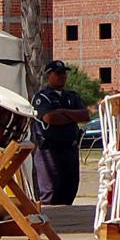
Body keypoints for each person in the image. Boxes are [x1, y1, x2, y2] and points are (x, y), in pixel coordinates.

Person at [31, 60, 90, 206]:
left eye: (64, 73)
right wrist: (71, 116)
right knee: (50, 191)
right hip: (49, 151)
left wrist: (63, 112)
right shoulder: (42, 97)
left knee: (69, 189)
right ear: (48, 76)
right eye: (58, 73)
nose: (62, 76)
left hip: (69, 148)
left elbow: (85, 115)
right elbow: (50, 118)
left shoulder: (71, 96)